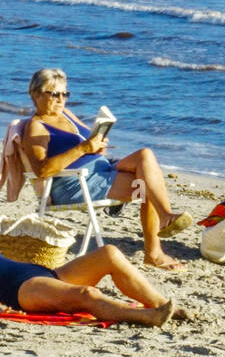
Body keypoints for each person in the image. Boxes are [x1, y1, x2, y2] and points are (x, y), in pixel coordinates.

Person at [21, 68, 192, 270]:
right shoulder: (36, 126)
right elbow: (42, 170)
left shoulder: (65, 113)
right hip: (76, 183)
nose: (61, 100)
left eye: (65, 94)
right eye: (54, 94)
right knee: (148, 185)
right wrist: (84, 148)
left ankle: (164, 218)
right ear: (36, 94)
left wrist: (96, 145)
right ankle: (155, 250)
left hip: (100, 168)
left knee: (145, 155)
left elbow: (81, 144)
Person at [0, 245, 177, 327]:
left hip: (44, 274)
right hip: (22, 289)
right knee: (87, 295)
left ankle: (158, 304)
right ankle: (146, 317)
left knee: (110, 254)